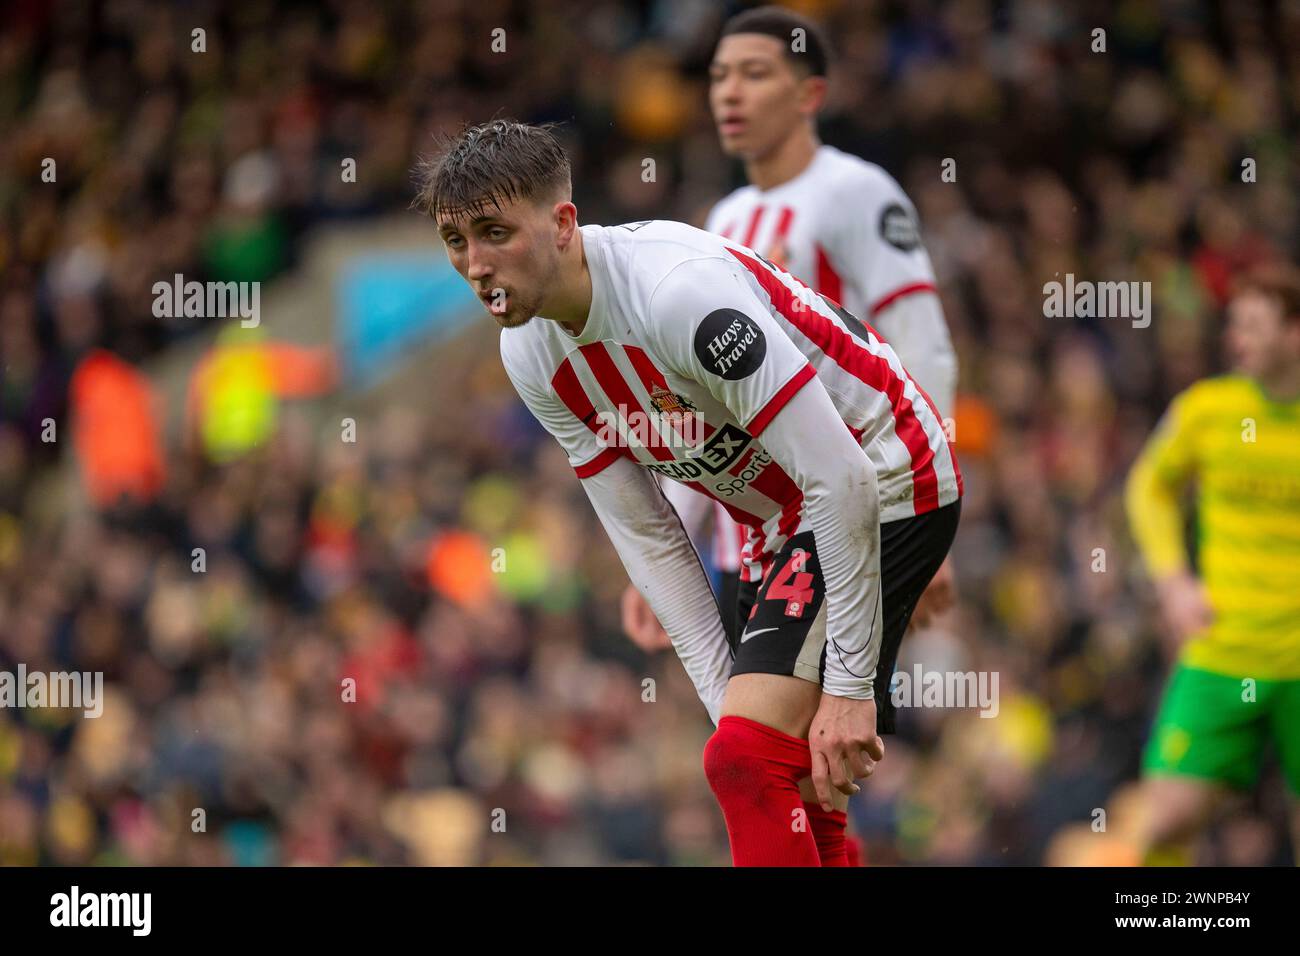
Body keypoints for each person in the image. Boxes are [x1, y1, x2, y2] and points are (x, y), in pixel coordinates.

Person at [412, 119, 961, 866]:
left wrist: (849, 686)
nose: (475, 264)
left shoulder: (676, 296)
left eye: (494, 233)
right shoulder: (529, 353)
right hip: (783, 515)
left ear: (563, 222)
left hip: (890, 472)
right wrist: (726, 699)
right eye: (455, 242)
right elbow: (650, 537)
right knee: (781, 775)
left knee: (746, 760)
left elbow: (843, 475)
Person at [621, 6, 959, 656]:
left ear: (811, 94)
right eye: (720, 77)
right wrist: (672, 550)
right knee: (778, 747)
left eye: (754, 74)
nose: (729, 92)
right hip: (740, 531)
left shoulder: (858, 193)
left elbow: (925, 348)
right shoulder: (723, 219)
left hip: (835, 513)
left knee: (817, 736)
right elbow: (705, 400)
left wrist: (930, 520)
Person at [1125, 268, 1300, 864]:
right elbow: (1148, 486)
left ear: (1295, 333)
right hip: (1222, 648)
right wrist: (1174, 583)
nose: (1236, 339)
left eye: (1254, 325)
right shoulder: (1209, 410)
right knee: (1163, 819)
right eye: (1234, 324)